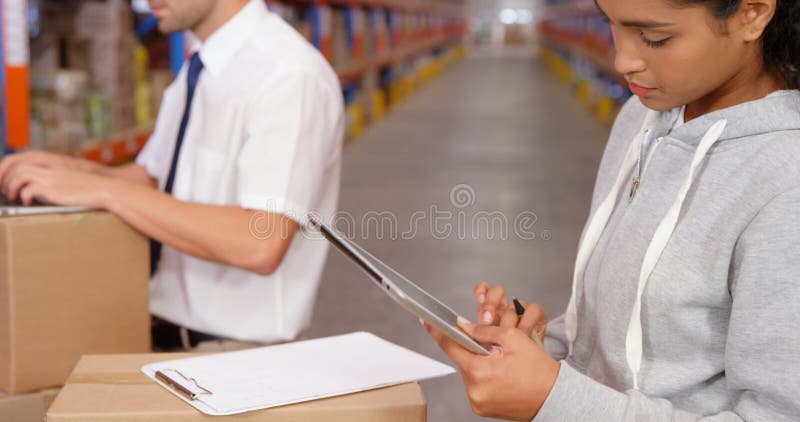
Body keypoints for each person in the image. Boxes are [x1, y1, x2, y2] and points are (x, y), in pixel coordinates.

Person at [423, 0, 800, 420]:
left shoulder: (786, 182)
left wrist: (554, 399)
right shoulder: (640, 119)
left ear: (752, 13)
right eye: (612, 24)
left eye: (655, 38)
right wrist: (547, 351)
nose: (624, 60)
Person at [0, 0, 344, 350]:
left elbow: (258, 242)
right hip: (168, 337)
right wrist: (72, 172)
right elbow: (156, 178)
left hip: (236, 357)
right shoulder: (203, 66)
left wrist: (103, 191)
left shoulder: (287, 75)